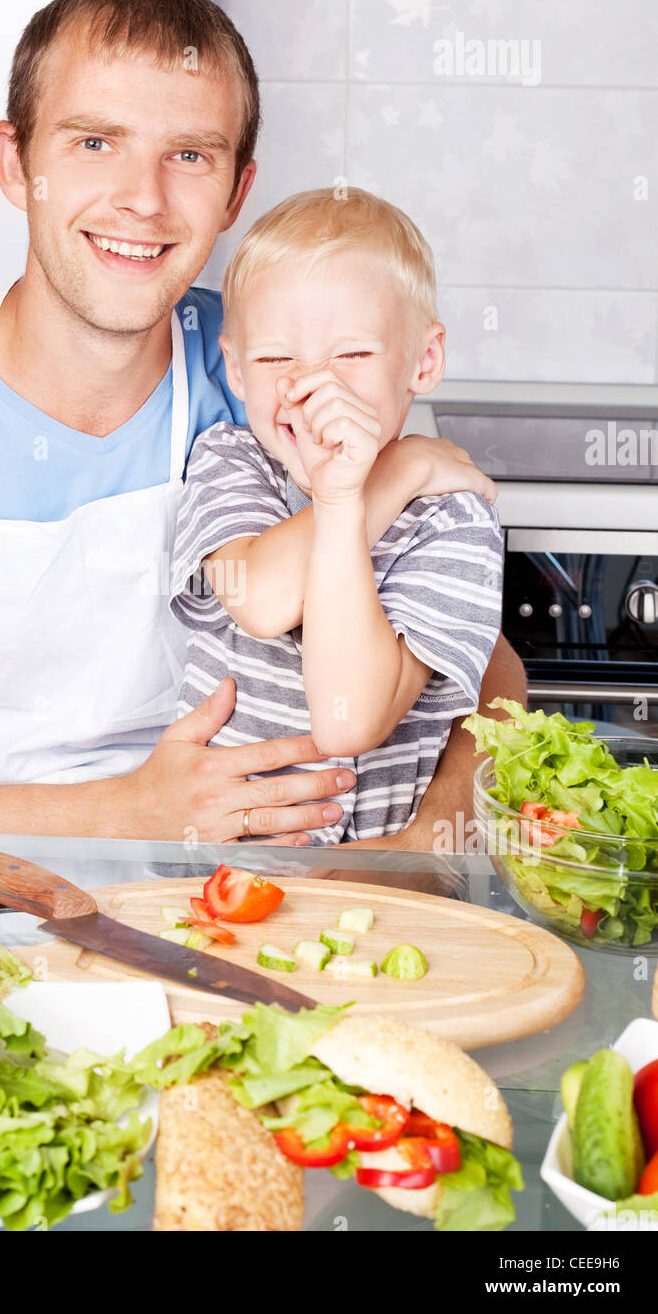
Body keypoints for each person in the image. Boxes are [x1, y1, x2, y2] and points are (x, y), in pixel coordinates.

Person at [0, 0, 524, 861]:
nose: (144, 199)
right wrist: (126, 811)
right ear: (17, 164)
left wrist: (431, 835)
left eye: (190, 155)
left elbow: (480, 661)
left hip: (237, 904)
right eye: (95, 142)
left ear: (237, 192)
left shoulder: (269, 373)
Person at [169, 187, 503, 850]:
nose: (309, 385)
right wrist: (392, 473)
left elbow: (348, 721)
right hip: (210, 877)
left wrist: (346, 497)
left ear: (424, 360)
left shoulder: (453, 524)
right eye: (273, 359)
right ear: (235, 369)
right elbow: (261, 600)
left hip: (375, 890)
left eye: (351, 355)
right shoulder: (230, 461)